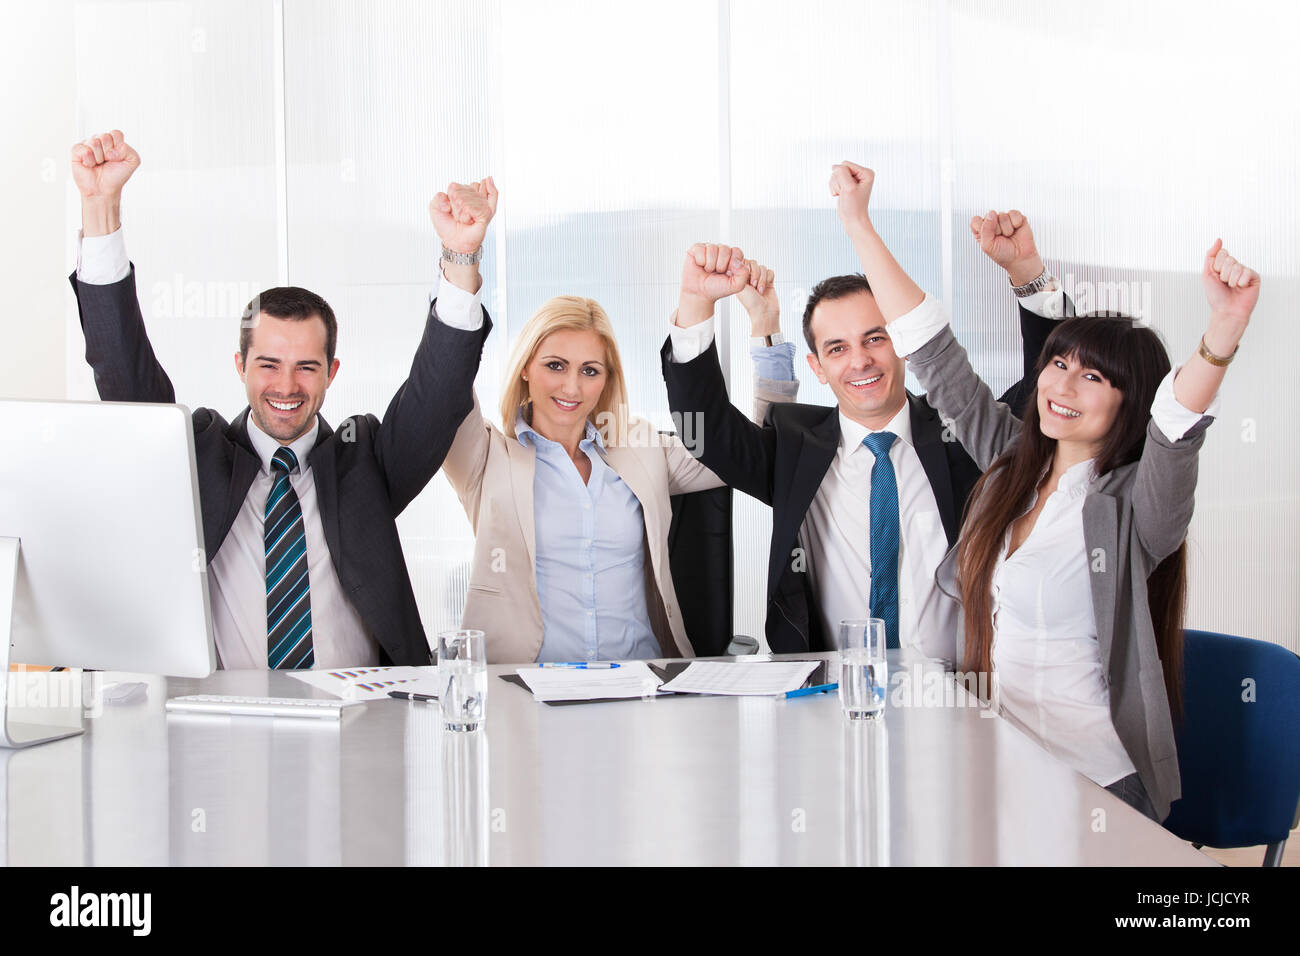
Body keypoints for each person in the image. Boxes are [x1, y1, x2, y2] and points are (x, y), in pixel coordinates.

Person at [829, 160, 1258, 822]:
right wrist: (857, 224)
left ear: (1130, 403)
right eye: (1059, 363)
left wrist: (1223, 332)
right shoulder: (1009, 464)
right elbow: (934, 353)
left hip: (1097, 788)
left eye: (1093, 377)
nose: (1062, 386)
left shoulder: (1135, 508)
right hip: (1002, 766)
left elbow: (1177, 429)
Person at [67, 129, 495, 669]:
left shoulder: (363, 462)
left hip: (360, 726)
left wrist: (461, 256)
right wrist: (100, 205)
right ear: (240, 365)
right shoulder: (195, 455)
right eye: (268, 364)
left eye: (306, 367)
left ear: (332, 372)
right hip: (222, 726)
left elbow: (436, 398)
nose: (287, 387)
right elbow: (124, 376)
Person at [660, 232, 1060, 659]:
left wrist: (1027, 275)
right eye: (837, 348)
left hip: (956, 692)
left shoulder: (963, 433)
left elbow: (1049, 390)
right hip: (832, 696)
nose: (859, 361)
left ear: (903, 345)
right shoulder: (795, 451)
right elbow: (705, 430)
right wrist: (695, 302)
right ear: (817, 367)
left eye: (875, 338)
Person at [441, 272, 779, 664]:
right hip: (525, 695)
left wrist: (766, 328)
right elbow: (446, 373)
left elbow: (753, 448)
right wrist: (462, 259)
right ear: (525, 368)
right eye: (555, 365)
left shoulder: (641, 448)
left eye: (589, 370)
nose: (572, 387)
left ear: (606, 380)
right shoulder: (483, 456)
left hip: (640, 687)